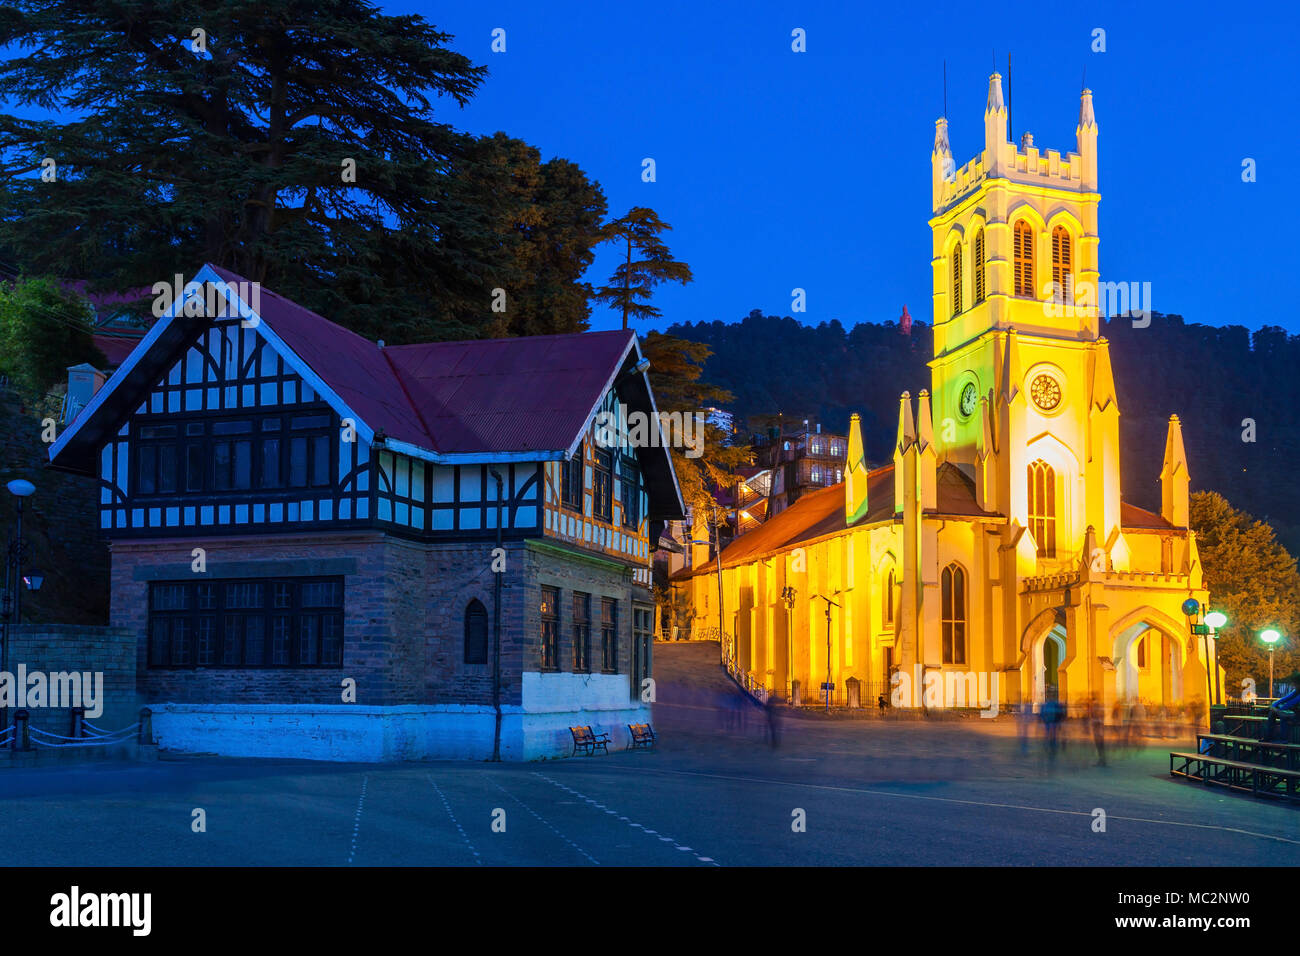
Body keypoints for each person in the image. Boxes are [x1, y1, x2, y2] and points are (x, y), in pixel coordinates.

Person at [1263, 672, 1300, 742]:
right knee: (1273, 713)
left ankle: (1283, 739)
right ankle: (1268, 737)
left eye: (1295, 684)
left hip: (1298, 716)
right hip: (1296, 714)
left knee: (1283, 714)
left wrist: (1277, 710)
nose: (1294, 686)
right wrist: (1273, 706)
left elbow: (1291, 703)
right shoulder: (1296, 691)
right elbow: (1283, 699)